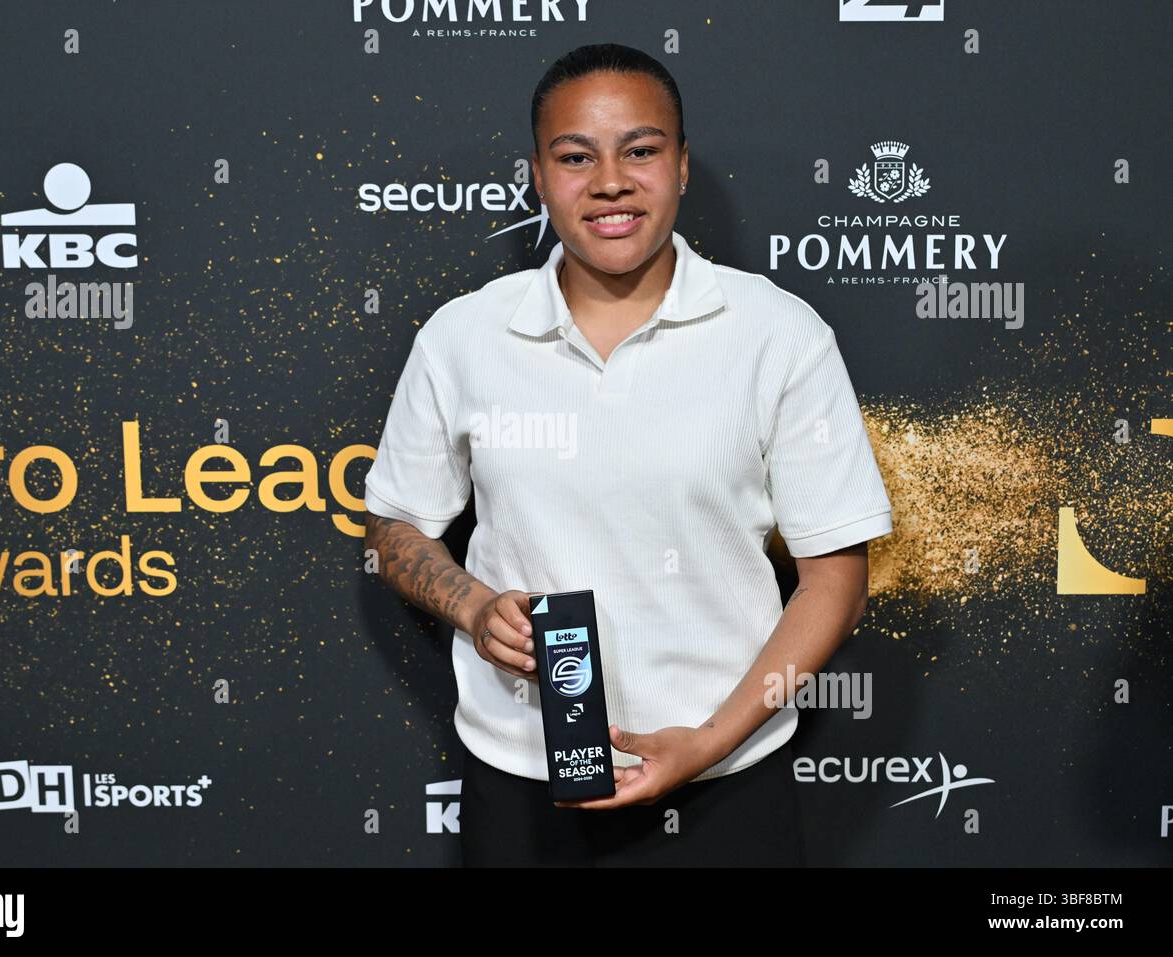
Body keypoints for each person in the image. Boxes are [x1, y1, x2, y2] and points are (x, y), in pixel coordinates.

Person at [363, 43, 893, 867]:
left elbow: (836, 577)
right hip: (520, 777)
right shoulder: (462, 335)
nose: (610, 181)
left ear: (681, 165)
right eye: (576, 156)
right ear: (538, 175)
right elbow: (395, 526)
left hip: (728, 779)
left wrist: (708, 741)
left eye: (640, 150)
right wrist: (470, 603)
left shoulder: (778, 333)